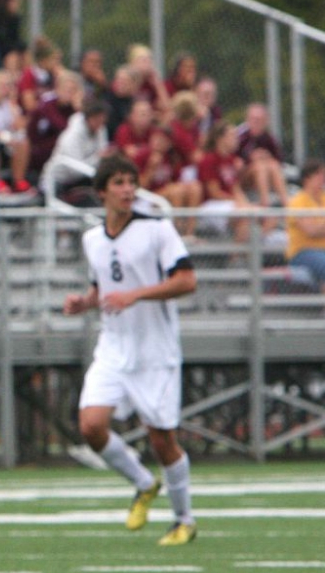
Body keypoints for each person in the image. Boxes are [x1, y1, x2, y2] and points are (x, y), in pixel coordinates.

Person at [63, 153, 198, 547]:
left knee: (162, 439)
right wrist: (84, 302)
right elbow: (103, 287)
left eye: (131, 181)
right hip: (114, 346)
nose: (128, 190)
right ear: (101, 192)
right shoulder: (92, 238)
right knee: (91, 426)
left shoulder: (157, 230)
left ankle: (184, 520)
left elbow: (187, 281)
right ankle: (143, 483)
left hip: (155, 350)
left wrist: (136, 295)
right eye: (119, 183)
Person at [42, 99, 109, 205]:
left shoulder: (101, 130)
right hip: (56, 182)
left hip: (79, 182)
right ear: (88, 117)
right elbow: (75, 169)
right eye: (96, 118)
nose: (100, 122)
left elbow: (103, 152)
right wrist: (99, 158)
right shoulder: (71, 136)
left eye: (102, 118)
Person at [196, 121, 252, 243]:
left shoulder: (231, 160)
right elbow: (215, 193)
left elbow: (236, 189)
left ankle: (247, 254)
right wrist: (238, 203)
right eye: (231, 135)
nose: (236, 139)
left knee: (266, 215)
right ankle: (236, 259)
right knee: (244, 216)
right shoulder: (209, 159)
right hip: (210, 205)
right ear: (220, 139)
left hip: (228, 204)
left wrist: (246, 204)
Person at [27, 69, 83, 174]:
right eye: (65, 89)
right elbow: (64, 128)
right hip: (42, 151)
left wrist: (78, 109)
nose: (68, 94)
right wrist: (77, 110)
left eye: (72, 90)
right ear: (57, 89)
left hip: (68, 152)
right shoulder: (48, 104)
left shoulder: (77, 108)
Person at [236, 103, 288, 206]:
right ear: (247, 119)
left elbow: (279, 161)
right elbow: (235, 161)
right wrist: (251, 158)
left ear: (266, 121)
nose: (256, 122)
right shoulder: (240, 137)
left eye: (260, 120)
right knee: (260, 166)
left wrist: (267, 156)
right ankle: (265, 203)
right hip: (243, 178)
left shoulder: (268, 138)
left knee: (272, 164)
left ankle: (286, 202)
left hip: (264, 175)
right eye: (253, 119)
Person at [286, 159, 325, 292]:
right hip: (303, 252)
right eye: (319, 174)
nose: (323, 178)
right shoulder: (297, 201)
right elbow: (311, 230)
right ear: (307, 178)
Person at [18, 35, 63, 114]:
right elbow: (29, 105)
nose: (57, 64)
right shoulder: (30, 74)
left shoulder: (54, 74)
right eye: (54, 60)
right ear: (43, 61)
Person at [113, 98, 154, 168]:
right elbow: (131, 155)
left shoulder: (154, 131)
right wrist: (148, 150)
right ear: (132, 116)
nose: (147, 117)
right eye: (143, 114)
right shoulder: (123, 130)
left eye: (149, 114)